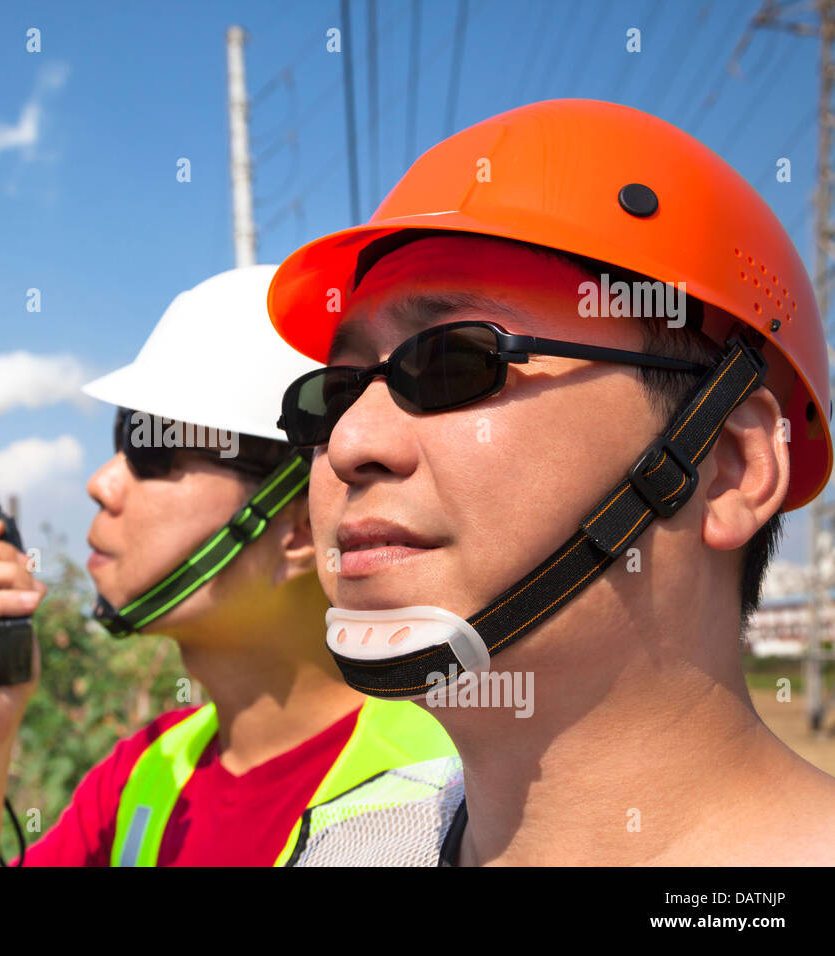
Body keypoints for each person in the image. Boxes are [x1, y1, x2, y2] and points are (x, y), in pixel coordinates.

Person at [267, 98, 835, 865]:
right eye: (335, 392)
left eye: (455, 362)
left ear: (728, 469)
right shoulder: (348, 848)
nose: (349, 442)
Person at [0, 265, 455, 866]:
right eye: (120, 439)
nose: (101, 482)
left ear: (298, 528)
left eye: (152, 449)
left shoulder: (449, 779)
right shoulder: (145, 771)